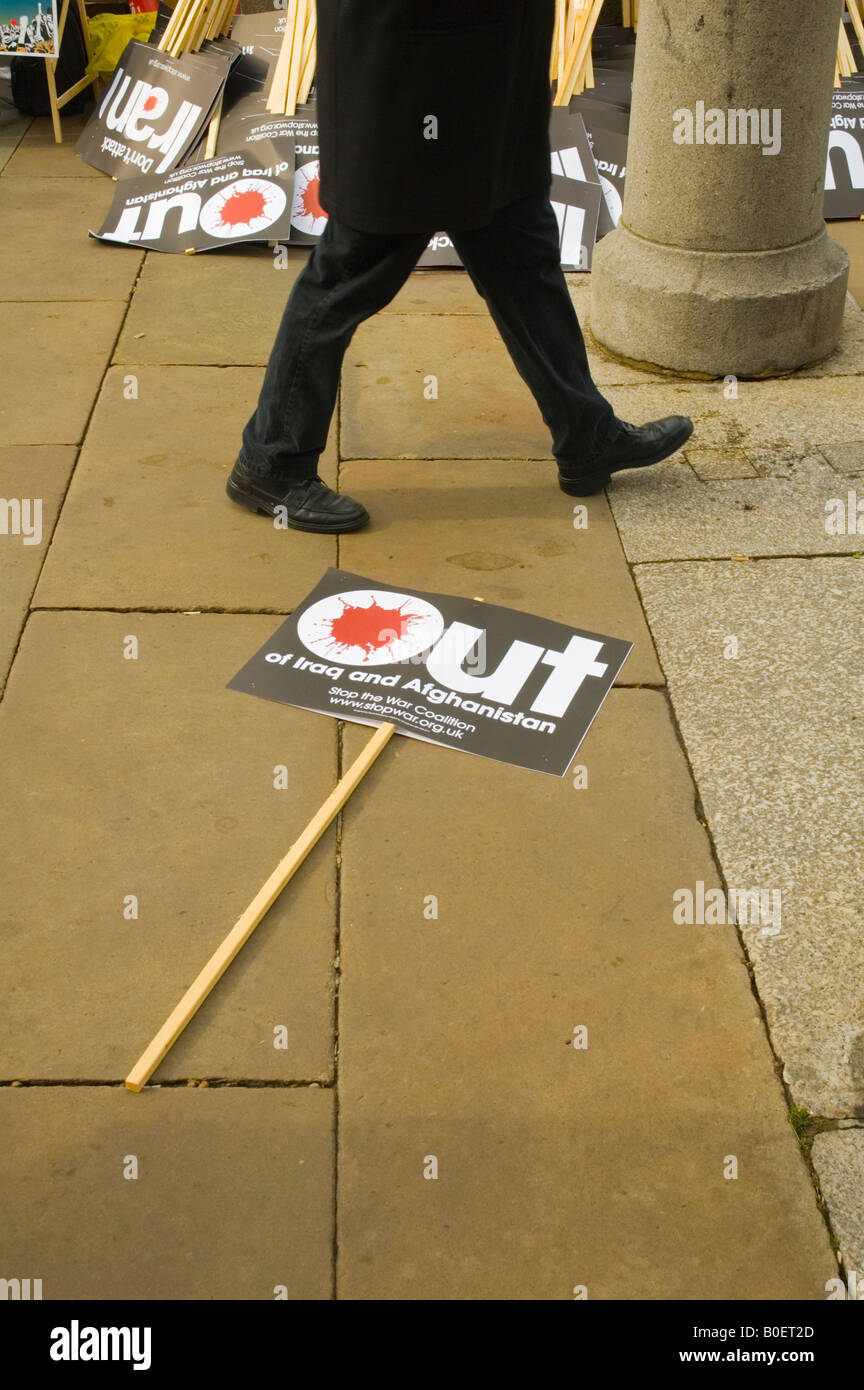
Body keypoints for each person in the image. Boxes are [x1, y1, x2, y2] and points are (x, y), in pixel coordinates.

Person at [227, 0, 693, 534]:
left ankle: (588, 435)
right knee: (351, 269)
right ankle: (273, 461)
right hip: (410, 71)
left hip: (494, 74)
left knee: (523, 257)